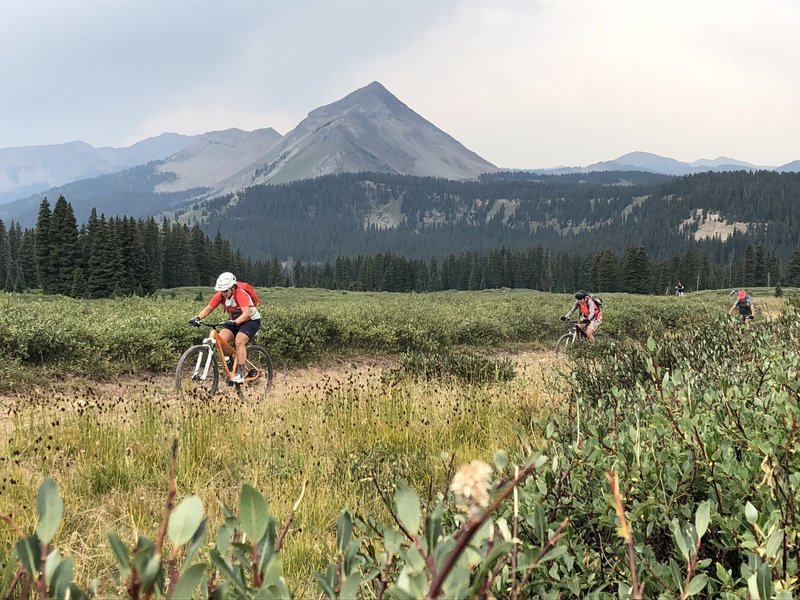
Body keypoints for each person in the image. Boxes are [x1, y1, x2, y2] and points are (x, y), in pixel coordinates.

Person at [188, 272, 261, 382]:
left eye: (225, 290)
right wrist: (197, 318)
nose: (223, 293)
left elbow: (246, 314)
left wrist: (235, 322)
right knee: (221, 341)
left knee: (239, 341)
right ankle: (231, 368)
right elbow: (209, 308)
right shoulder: (221, 295)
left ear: (232, 287)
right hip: (234, 321)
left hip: (251, 320)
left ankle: (240, 373)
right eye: (221, 291)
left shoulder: (240, 294)